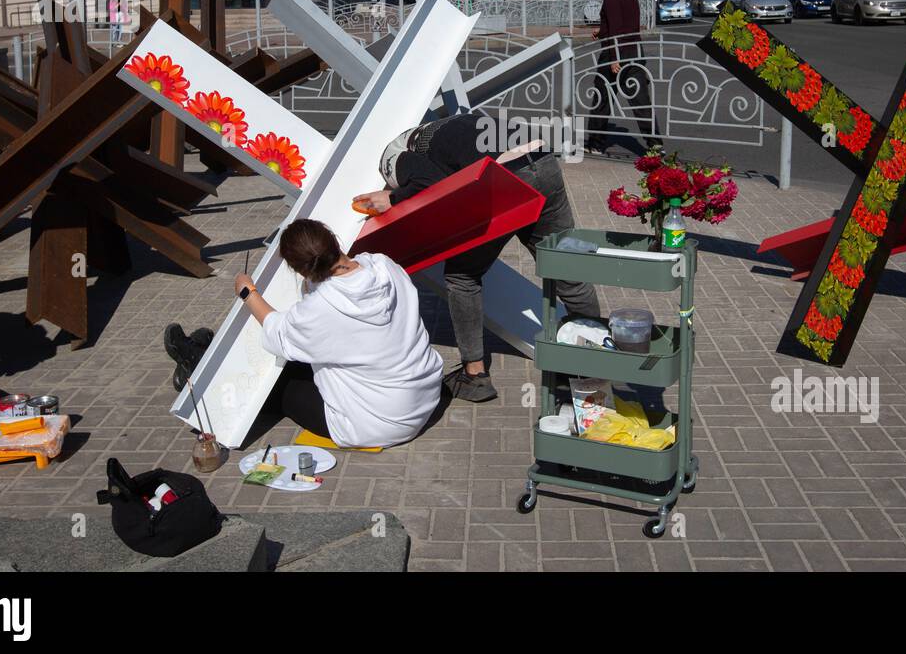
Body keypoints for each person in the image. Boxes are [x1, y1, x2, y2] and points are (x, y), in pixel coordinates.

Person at [353, 112, 600, 403]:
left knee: (462, 276)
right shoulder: (450, 125)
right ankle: (592, 363)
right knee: (567, 271)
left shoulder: (394, 154)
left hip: (505, 178)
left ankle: (474, 376)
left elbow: (425, 182)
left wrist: (392, 198)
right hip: (544, 160)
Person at [166, 219, 442, 448]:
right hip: (423, 397)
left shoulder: (322, 308)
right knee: (303, 355)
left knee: (273, 375)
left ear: (300, 269)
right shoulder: (383, 265)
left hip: (376, 422)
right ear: (334, 240)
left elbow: (278, 333)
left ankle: (197, 363)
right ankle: (208, 351)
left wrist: (247, 293)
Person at [585, 0, 662, 154]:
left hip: (614, 53)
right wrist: (601, 30)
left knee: (602, 98)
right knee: (640, 100)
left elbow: (617, 29)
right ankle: (655, 144)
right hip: (634, 51)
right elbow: (623, 27)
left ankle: (595, 142)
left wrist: (614, 58)